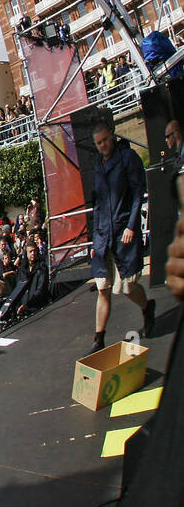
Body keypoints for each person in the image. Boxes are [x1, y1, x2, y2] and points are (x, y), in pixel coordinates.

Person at [88, 120, 155, 355]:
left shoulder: (128, 158)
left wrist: (131, 226)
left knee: (128, 287)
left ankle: (147, 308)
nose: (103, 145)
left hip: (123, 231)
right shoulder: (97, 164)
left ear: (113, 136)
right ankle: (98, 338)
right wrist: (95, 240)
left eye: (105, 140)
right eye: (98, 143)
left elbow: (138, 195)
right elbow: (96, 205)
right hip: (103, 235)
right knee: (103, 287)